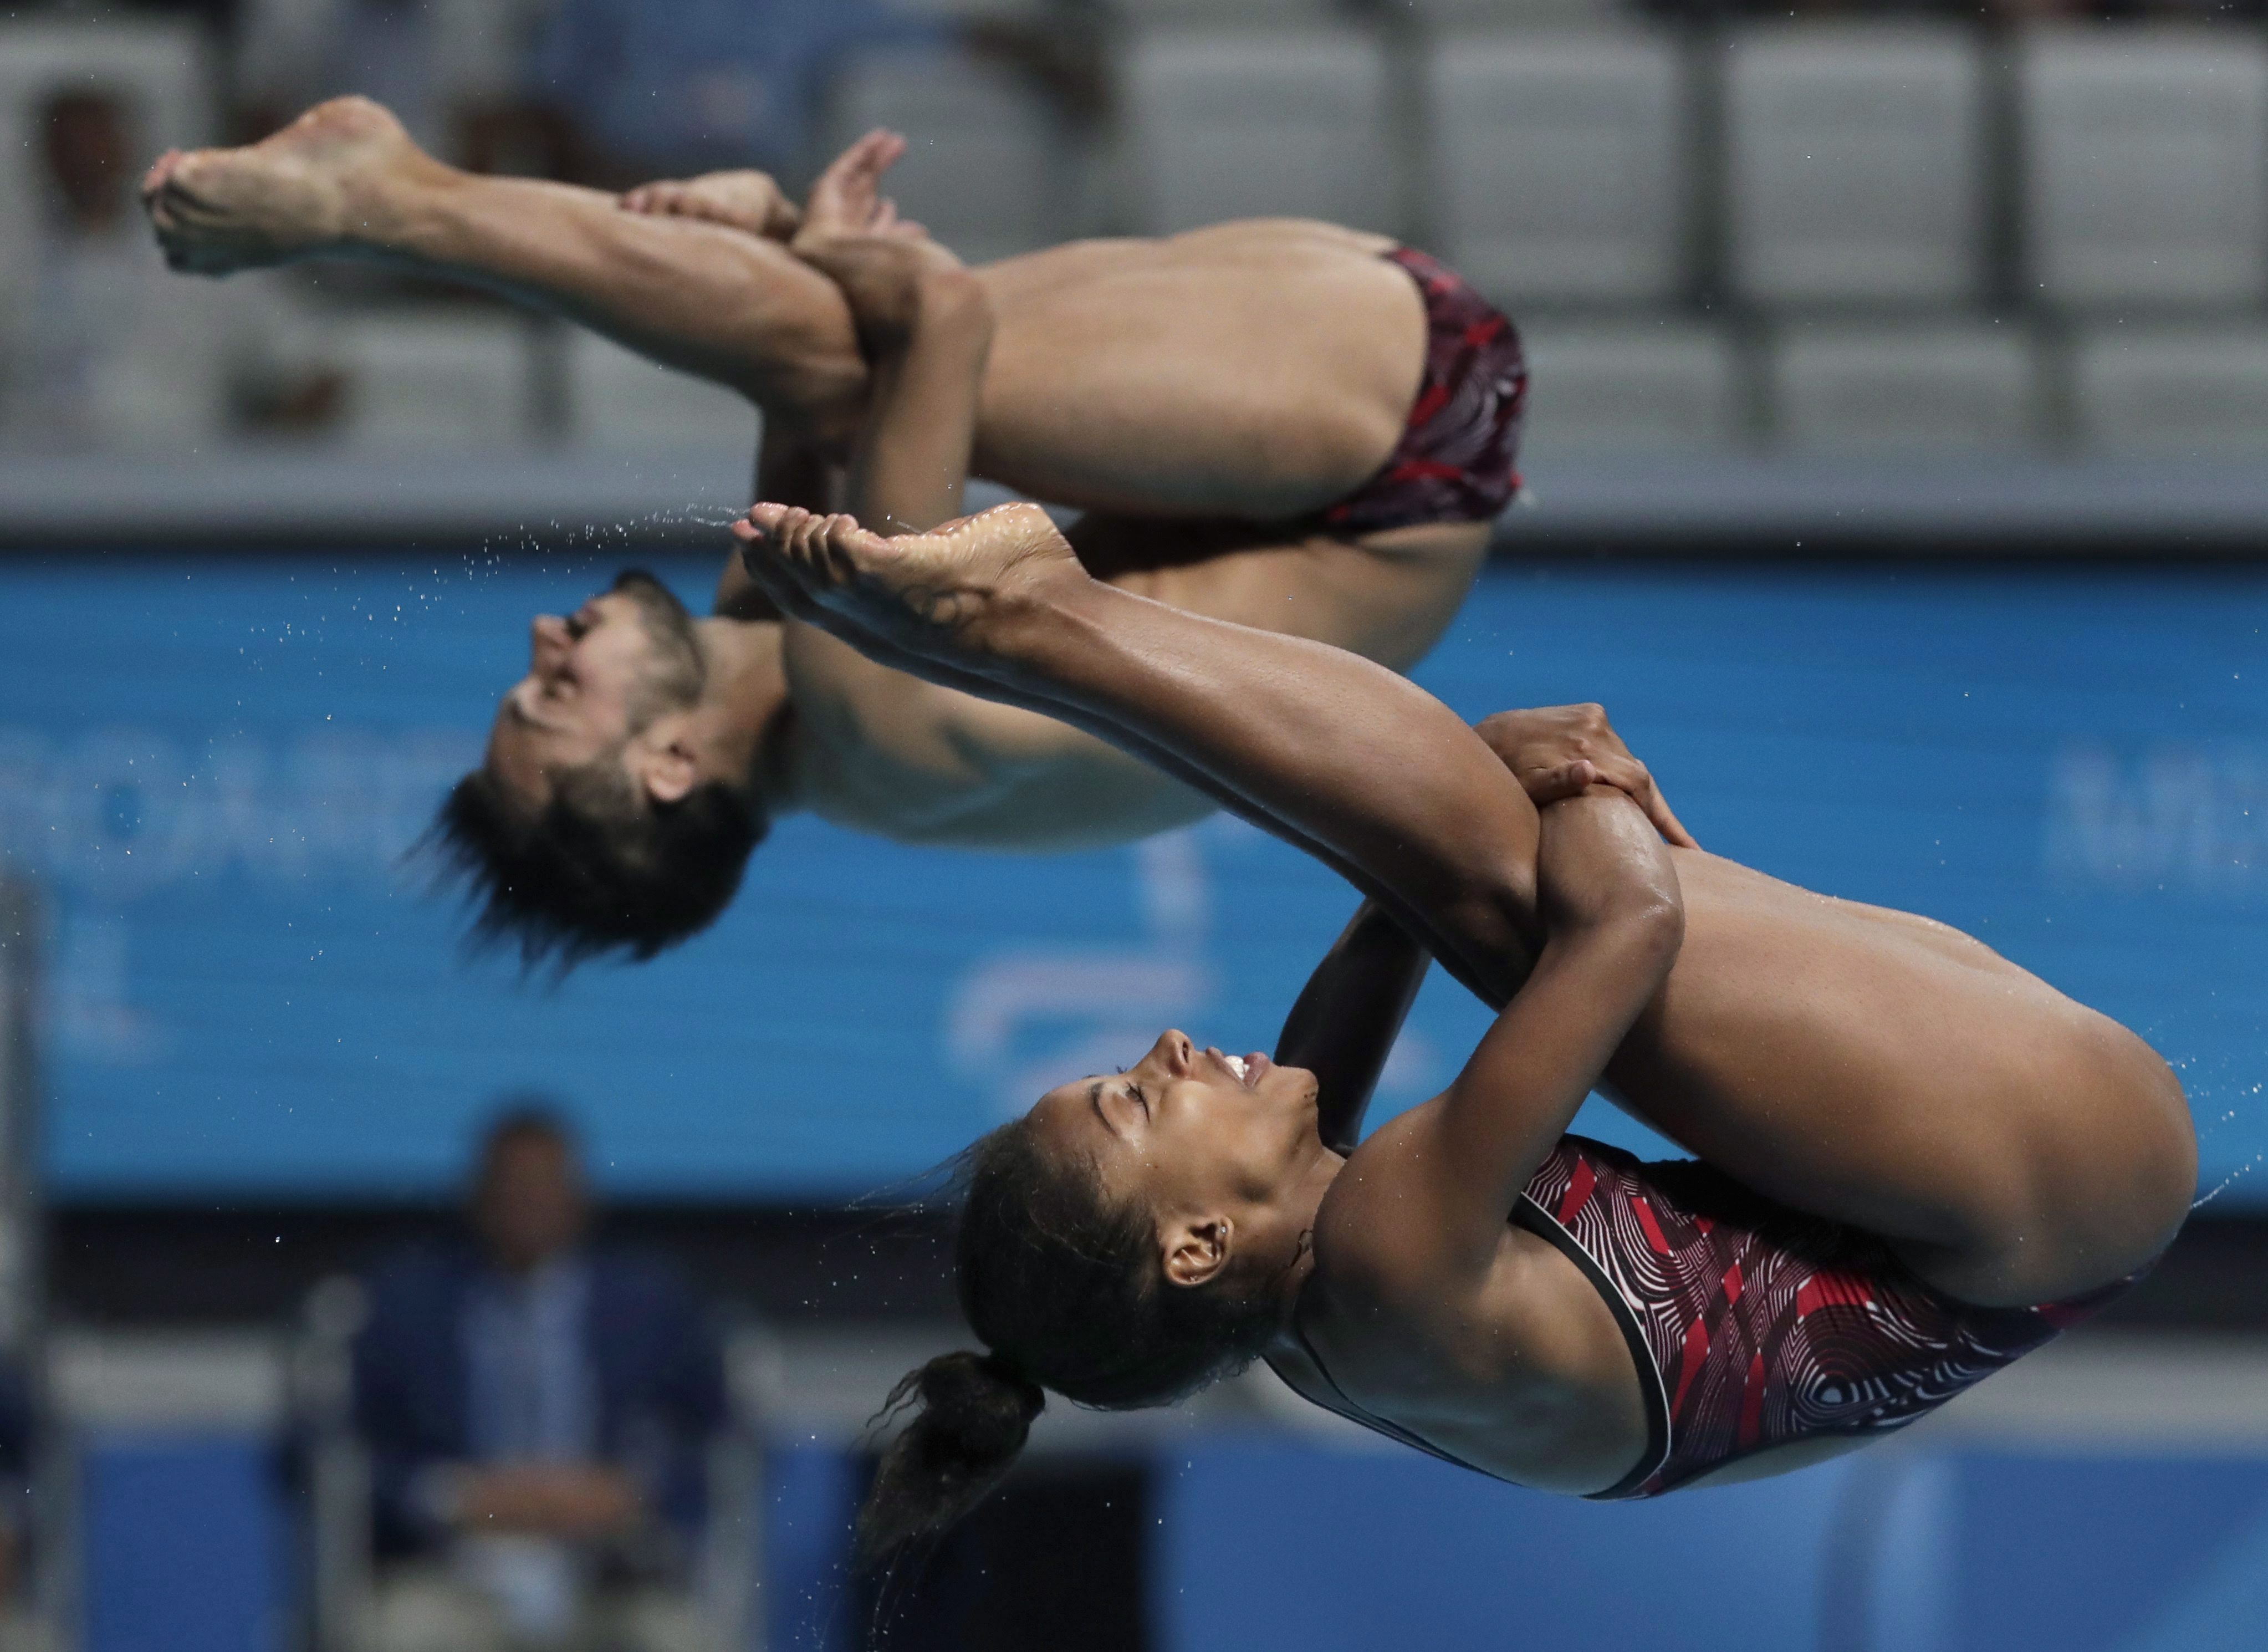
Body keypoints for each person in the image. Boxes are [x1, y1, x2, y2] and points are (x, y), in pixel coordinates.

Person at [726, 497, 2195, 1559]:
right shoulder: (1378, 1259)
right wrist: (1581, 775)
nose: (1170, 1042)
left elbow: (1365, 977)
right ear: (1191, 1242)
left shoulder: (1319, 1305)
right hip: (2024, 1192)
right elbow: (1622, 926)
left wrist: (1493, 791)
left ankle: (1021, 632)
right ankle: (1026, 623)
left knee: (1455, 875)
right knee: (1498, 874)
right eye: (1129, 1097)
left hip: (2004, 1220)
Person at [138, 99, 1525, 967]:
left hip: (1352, 428)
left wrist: (783, 236)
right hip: (1391, 438)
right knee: (840, 361)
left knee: (822, 356)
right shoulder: (875, 698)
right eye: (559, 690)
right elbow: (934, 321)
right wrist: (803, 246)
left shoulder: (797, 652)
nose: (544, 631)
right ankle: (385, 200)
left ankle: (394, 199)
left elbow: (822, 355)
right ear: (673, 761)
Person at [351, 1109, 728, 1652]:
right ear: (477, 1197)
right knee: (395, 1635)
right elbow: (350, 1450)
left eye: (545, 1184)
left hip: (609, 1573)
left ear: (581, 1196)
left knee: (680, 1638)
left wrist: (632, 1490)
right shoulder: (408, 1305)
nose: (528, 1202)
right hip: (457, 1572)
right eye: (511, 1185)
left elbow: (718, 1437)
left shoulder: (652, 1303)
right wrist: (455, 1497)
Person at [2, 89, 335, 452]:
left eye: (95, 143)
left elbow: (314, 368)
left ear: (126, 148)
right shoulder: (14, 264)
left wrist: (254, 462)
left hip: (178, 485)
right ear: (44, 156)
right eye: (67, 145)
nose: (83, 159)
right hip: (34, 485)